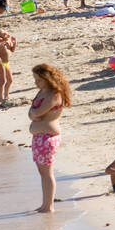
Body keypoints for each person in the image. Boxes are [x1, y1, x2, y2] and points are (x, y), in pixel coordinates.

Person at [28, 63, 73, 213]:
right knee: (43, 173)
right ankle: (45, 204)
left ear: (47, 79)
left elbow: (37, 112)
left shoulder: (54, 95)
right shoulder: (42, 92)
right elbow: (31, 113)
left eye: (38, 80)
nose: (36, 83)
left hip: (47, 138)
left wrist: (34, 114)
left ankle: (49, 206)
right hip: (39, 137)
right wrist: (33, 114)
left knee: (47, 173)